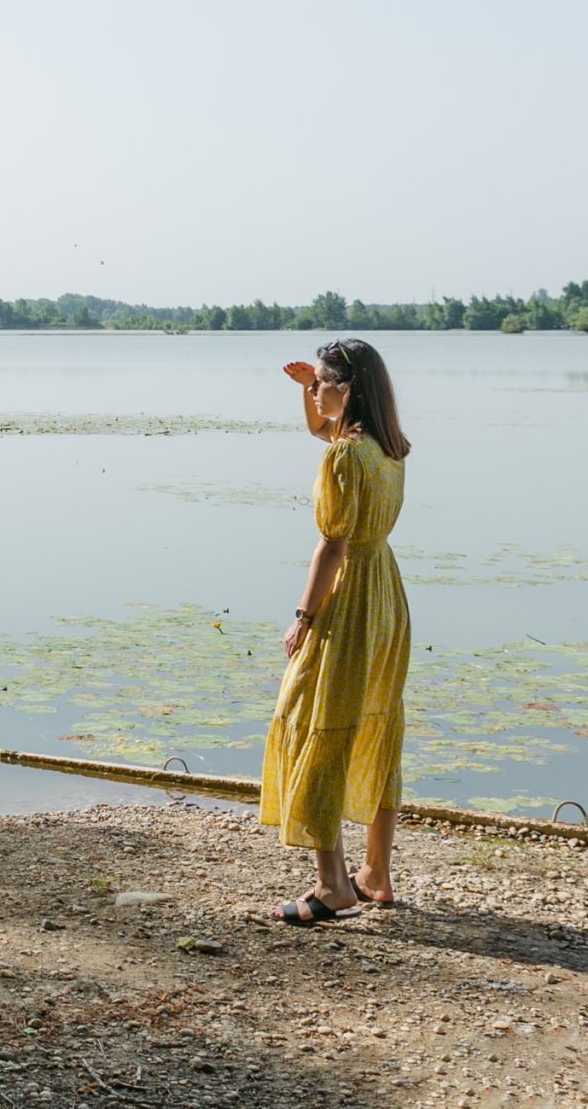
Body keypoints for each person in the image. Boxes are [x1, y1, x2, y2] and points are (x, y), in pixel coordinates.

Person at [260, 337, 412, 923]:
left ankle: (332, 887)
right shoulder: (386, 448)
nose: (315, 391)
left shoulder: (346, 458)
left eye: (322, 383)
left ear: (346, 390)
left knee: (315, 720)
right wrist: (307, 394)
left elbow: (332, 543)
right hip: (387, 596)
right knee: (374, 724)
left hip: (349, 595)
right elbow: (322, 431)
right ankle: (376, 872)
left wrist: (303, 616)